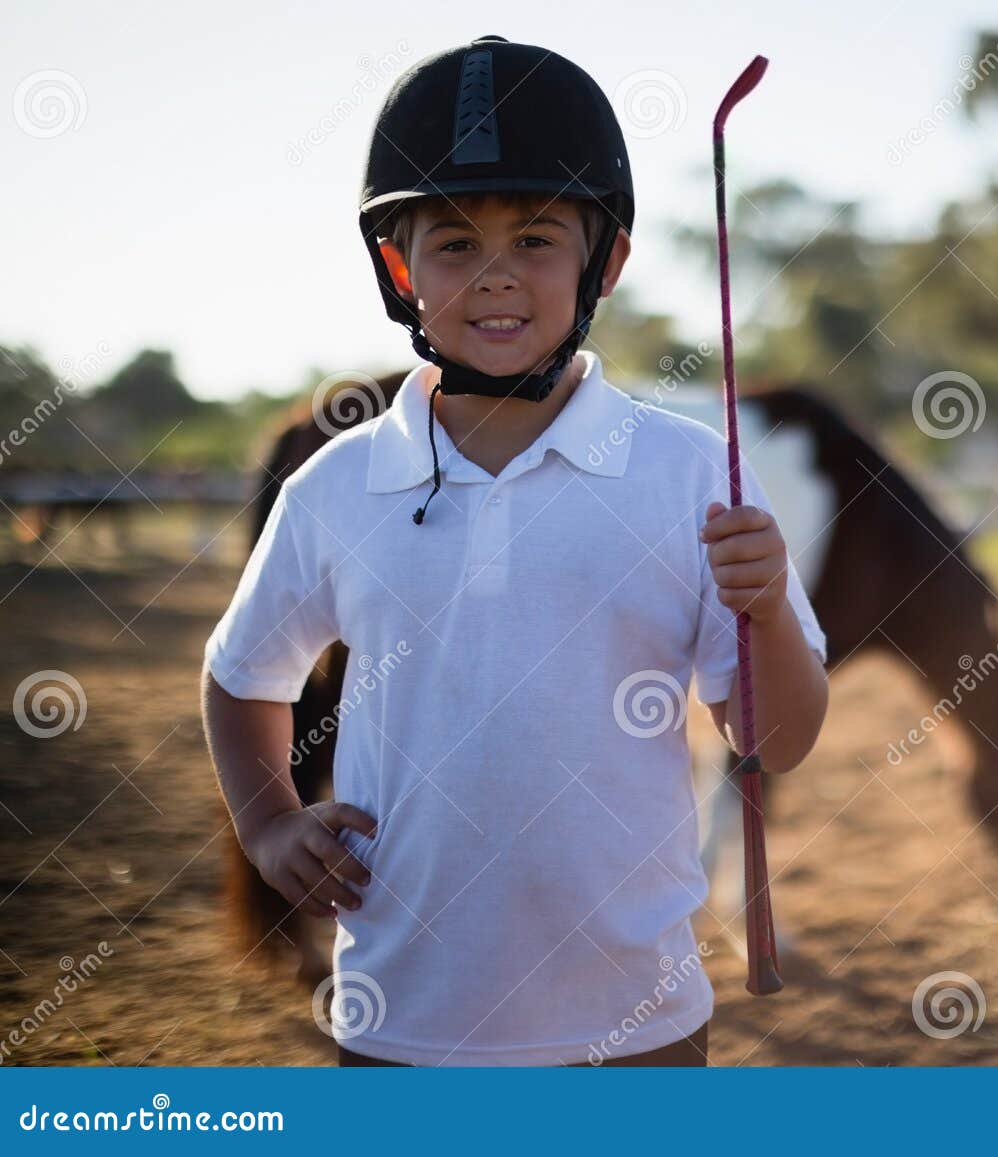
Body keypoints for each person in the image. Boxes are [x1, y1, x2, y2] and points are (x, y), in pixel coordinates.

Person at [199, 36, 829, 1067]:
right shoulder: (337, 486)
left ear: (605, 261)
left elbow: (780, 740)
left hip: (640, 1033)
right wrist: (269, 824)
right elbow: (239, 677)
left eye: (536, 238)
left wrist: (763, 612)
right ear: (399, 268)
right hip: (398, 1030)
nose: (496, 276)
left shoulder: (688, 473)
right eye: (453, 242)